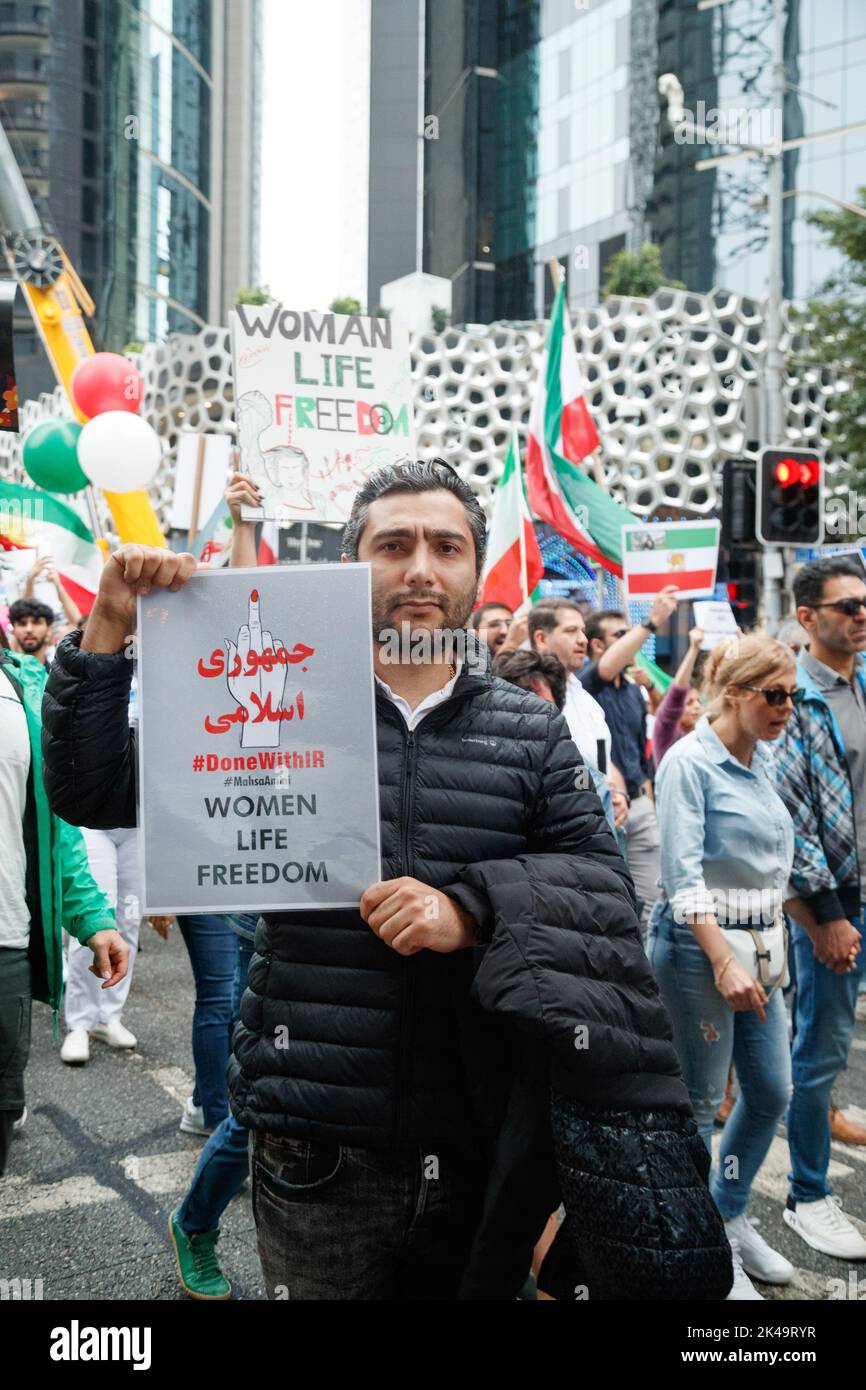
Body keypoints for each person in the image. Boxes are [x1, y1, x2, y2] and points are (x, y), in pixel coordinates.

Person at [41, 458, 722, 1301]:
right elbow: (88, 789)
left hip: (480, 1133)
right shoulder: (280, 697)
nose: (421, 568)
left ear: (476, 571)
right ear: (351, 565)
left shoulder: (528, 728)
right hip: (315, 1142)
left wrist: (471, 910)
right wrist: (107, 626)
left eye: (447, 546)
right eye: (393, 544)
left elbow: (604, 893)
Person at [650, 634, 800, 1298]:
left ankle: (729, 1211)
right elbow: (682, 881)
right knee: (700, 1102)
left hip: (761, 949)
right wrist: (720, 961)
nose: (786, 708)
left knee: (771, 1090)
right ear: (732, 693)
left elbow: (776, 864)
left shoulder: (764, 760)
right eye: (773, 694)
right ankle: (699, 1247)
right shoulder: (689, 763)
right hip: (698, 952)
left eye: (791, 695)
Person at [0, 639, 128, 1174]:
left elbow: (54, 828)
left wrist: (92, 918)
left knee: (2, 1110)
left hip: (6, 944)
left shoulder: (20, 687)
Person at [774, 557, 866, 1257]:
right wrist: (828, 914)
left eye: (865, 604)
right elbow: (792, 823)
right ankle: (808, 1194)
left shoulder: (864, 681)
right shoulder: (789, 696)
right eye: (847, 606)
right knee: (822, 1049)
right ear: (807, 617)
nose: (861, 616)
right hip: (834, 901)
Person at [580, 588, 680, 932]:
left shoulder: (633, 689)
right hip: (608, 808)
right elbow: (606, 669)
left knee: (653, 905)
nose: (632, 641)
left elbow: (648, 740)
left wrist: (648, 796)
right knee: (617, 907)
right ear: (597, 645)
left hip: (640, 806)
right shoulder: (587, 685)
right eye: (620, 635)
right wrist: (651, 622)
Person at [526, 599, 621, 830]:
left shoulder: (587, 701)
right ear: (541, 639)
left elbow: (602, 765)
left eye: (583, 631)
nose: (583, 640)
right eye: (571, 631)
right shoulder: (526, 697)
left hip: (599, 825)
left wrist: (617, 796)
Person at [652, 625, 704, 768]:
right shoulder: (666, 734)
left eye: (699, 701)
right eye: (689, 703)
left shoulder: (706, 737)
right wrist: (694, 648)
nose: (697, 706)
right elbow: (676, 694)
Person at [8, 597, 55, 665]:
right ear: (13, 630)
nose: (29, 629)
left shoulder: (60, 673)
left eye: (36, 623)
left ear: (48, 629)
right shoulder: (4, 673)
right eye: (22, 623)